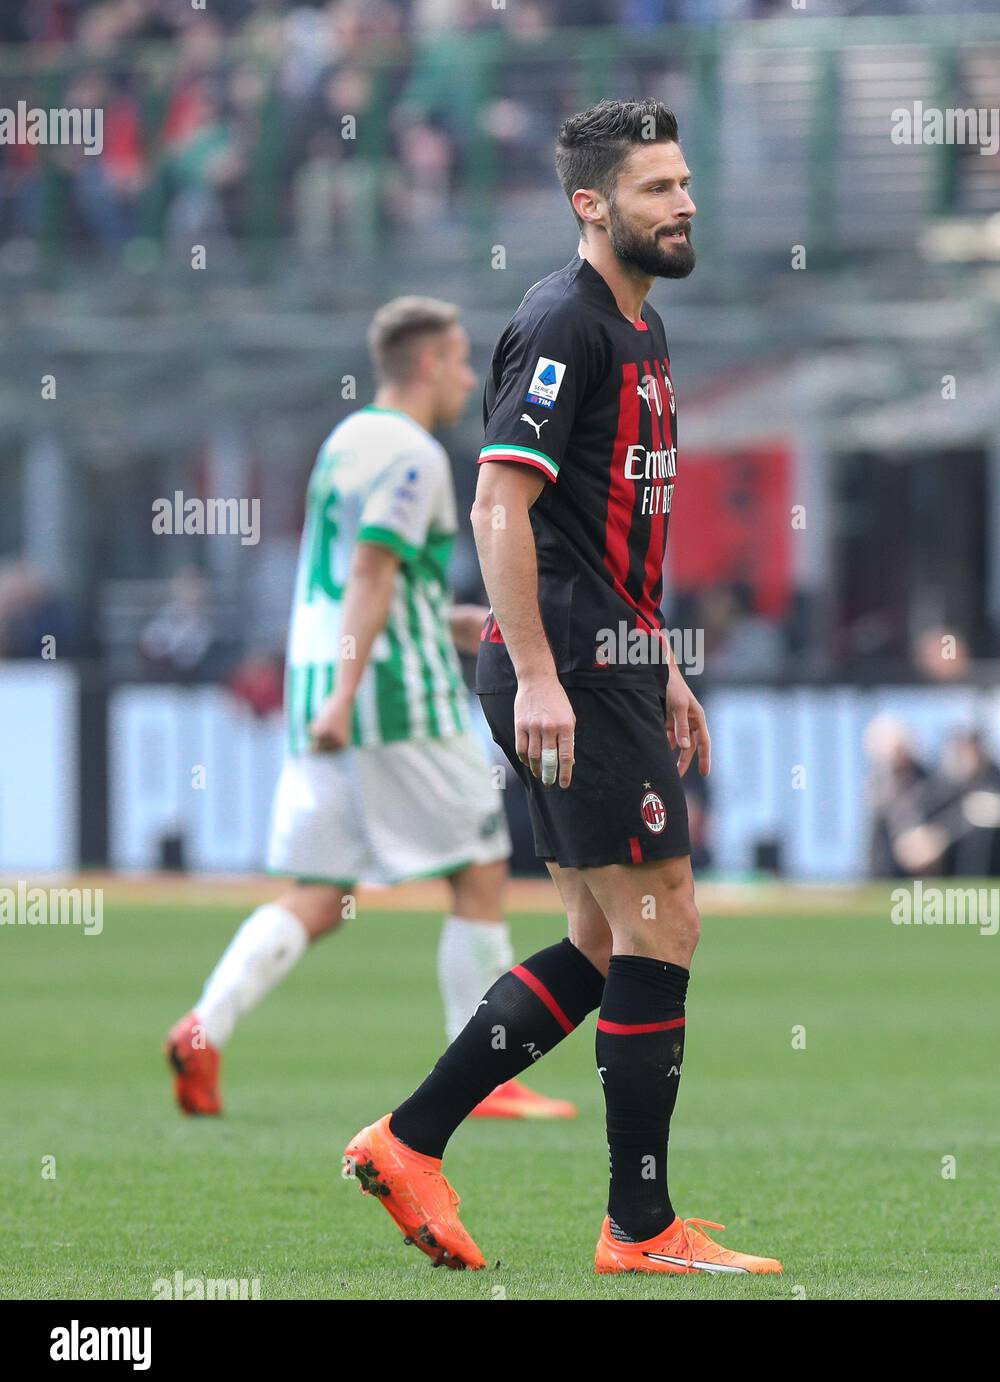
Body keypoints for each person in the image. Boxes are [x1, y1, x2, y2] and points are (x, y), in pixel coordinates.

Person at [344, 99, 782, 1276]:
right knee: (664, 920)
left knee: (598, 939)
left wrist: (667, 662)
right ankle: (638, 1227)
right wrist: (540, 672)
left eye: (685, 182)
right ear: (592, 205)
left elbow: (609, 530)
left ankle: (410, 1137)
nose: (682, 202)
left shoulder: (644, 333)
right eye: (655, 188)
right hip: (567, 670)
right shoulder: (560, 325)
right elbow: (500, 505)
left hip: (609, 660)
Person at [164, 296, 574, 1125]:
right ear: (426, 365)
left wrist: (442, 633)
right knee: (482, 868)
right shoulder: (417, 456)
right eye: (462, 362)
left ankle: (206, 1028)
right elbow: (372, 576)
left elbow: (379, 579)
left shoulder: (343, 444)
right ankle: (486, 1070)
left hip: (319, 689)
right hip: (392, 701)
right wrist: (354, 694)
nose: (470, 378)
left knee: (316, 894)